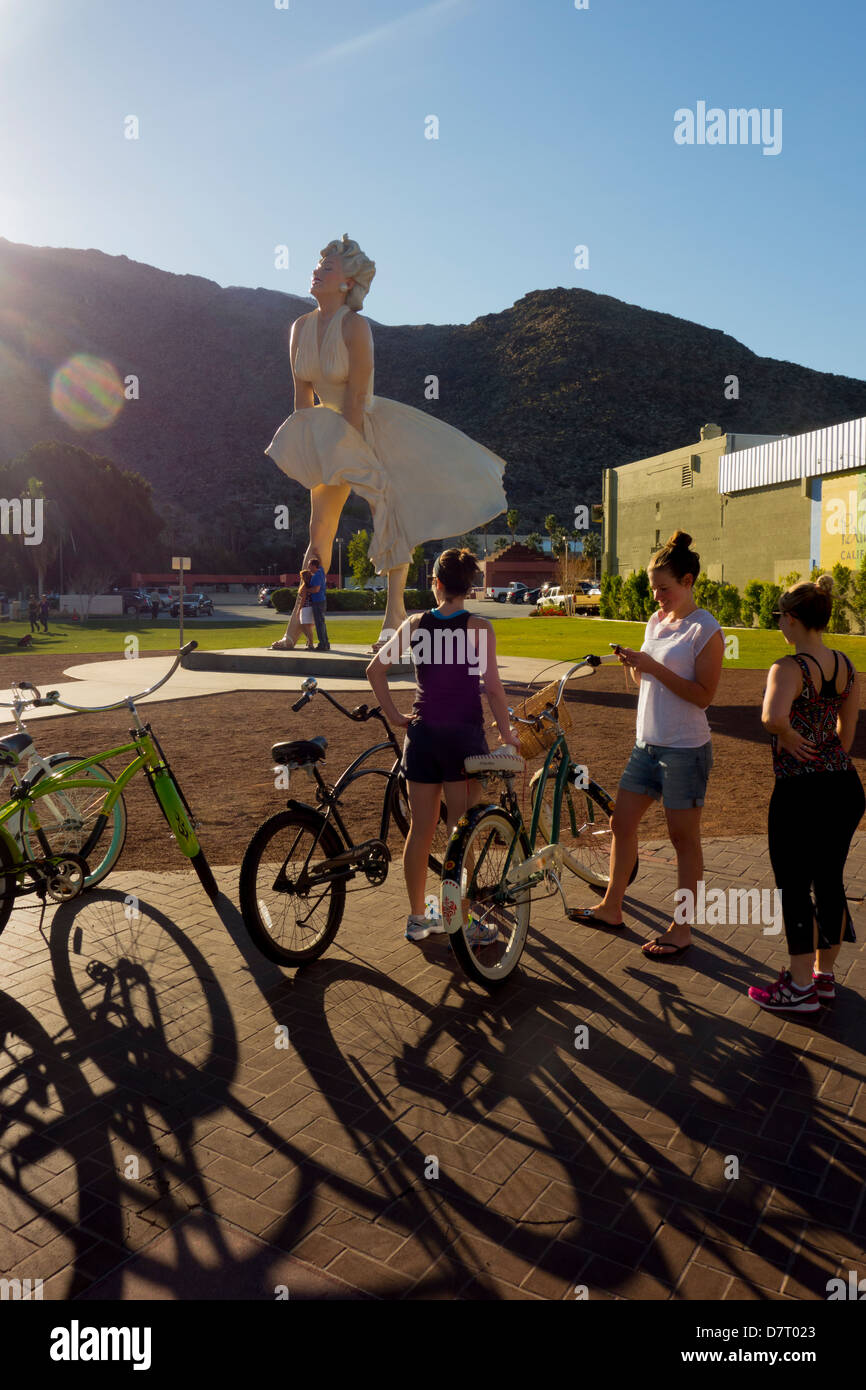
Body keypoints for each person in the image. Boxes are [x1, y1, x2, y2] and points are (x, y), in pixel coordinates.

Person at [266, 234, 507, 651]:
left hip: (368, 428)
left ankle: (393, 615)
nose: (317, 270)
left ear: (346, 283)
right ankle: (297, 623)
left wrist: (354, 452)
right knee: (318, 529)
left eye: (328, 266)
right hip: (325, 431)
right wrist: (308, 450)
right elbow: (302, 400)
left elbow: (358, 396)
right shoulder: (300, 328)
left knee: (390, 512)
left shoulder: (356, 327)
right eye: (318, 263)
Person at [571, 530, 725, 958]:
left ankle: (682, 927)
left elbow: (703, 696)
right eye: (654, 588)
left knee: (683, 839)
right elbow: (646, 679)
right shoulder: (657, 622)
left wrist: (654, 667)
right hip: (647, 744)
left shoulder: (706, 629)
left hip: (685, 749)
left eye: (665, 588)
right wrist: (637, 666)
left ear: (689, 581)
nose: (657, 596)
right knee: (622, 823)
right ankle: (611, 907)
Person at [366, 546, 519, 943]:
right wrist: (506, 733)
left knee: (420, 830)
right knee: (460, 830)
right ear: (468, 586)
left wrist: (397, 716)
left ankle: (419, 917)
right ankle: (461, 921)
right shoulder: (478, 627)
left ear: (436, 584)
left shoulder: (415, 623)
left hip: (422, 736)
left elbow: (375, 670)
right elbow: (494, 689)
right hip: (463, 738)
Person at [748, 575, 863, 1013]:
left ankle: (798, 988)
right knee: (830, 879)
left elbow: (771, 717)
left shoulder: (789, 667)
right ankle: (823, 976)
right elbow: (846, 736)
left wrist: (791, 735)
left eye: (780, 617)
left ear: (792, 619)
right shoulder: (846, 666)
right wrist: (818, 742)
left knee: (794, 884)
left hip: (801, 791)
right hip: (844, 787)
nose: (779, 624)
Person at [305, 556, 329, 651]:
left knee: (319, 624)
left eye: (309, 565)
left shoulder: (316, 576)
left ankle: (322, 644)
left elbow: (316, 589)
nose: (308, 568)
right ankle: (326, 643)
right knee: (322, 623)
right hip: (322, 600)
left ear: (314, 566)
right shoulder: (321, 571)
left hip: (318, 601)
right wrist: (316, 554)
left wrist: (306, 590)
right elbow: (321, 564)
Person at [296, 568, 316, 651]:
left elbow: (303, 599)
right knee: (308, 627)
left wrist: (298, 609)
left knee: (305, 627)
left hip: (306, 608)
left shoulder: (305, 587)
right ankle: (309, 642)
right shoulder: (312, 585)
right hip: (311, 607)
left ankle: (310, 644)